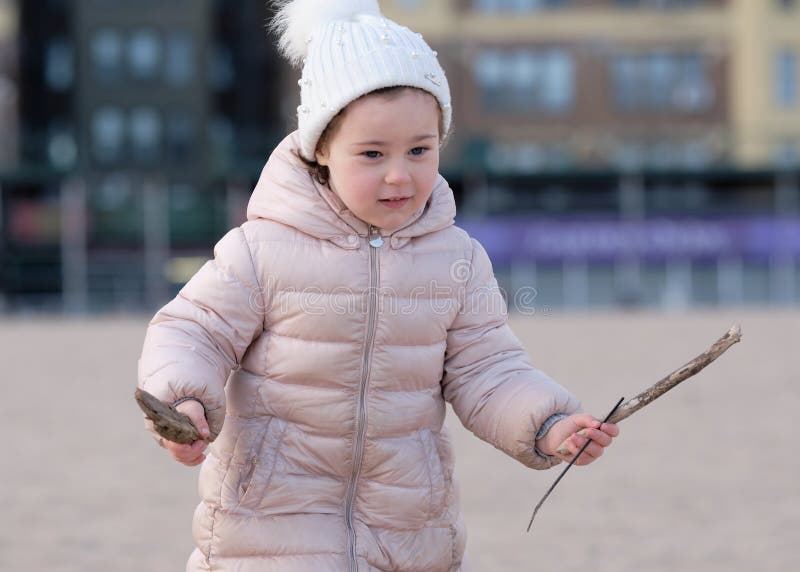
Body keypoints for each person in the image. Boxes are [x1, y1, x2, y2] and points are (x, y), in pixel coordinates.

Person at [137, 1, 619, 570]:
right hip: (270, 529)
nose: (400, 173)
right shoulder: (260, 251)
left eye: (420, 150)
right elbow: (194, 330)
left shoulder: (457, 261)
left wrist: (548, 423)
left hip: (406, 529)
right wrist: (184, 402)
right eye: (372, 154)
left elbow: (488, 369)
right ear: (320, 150)